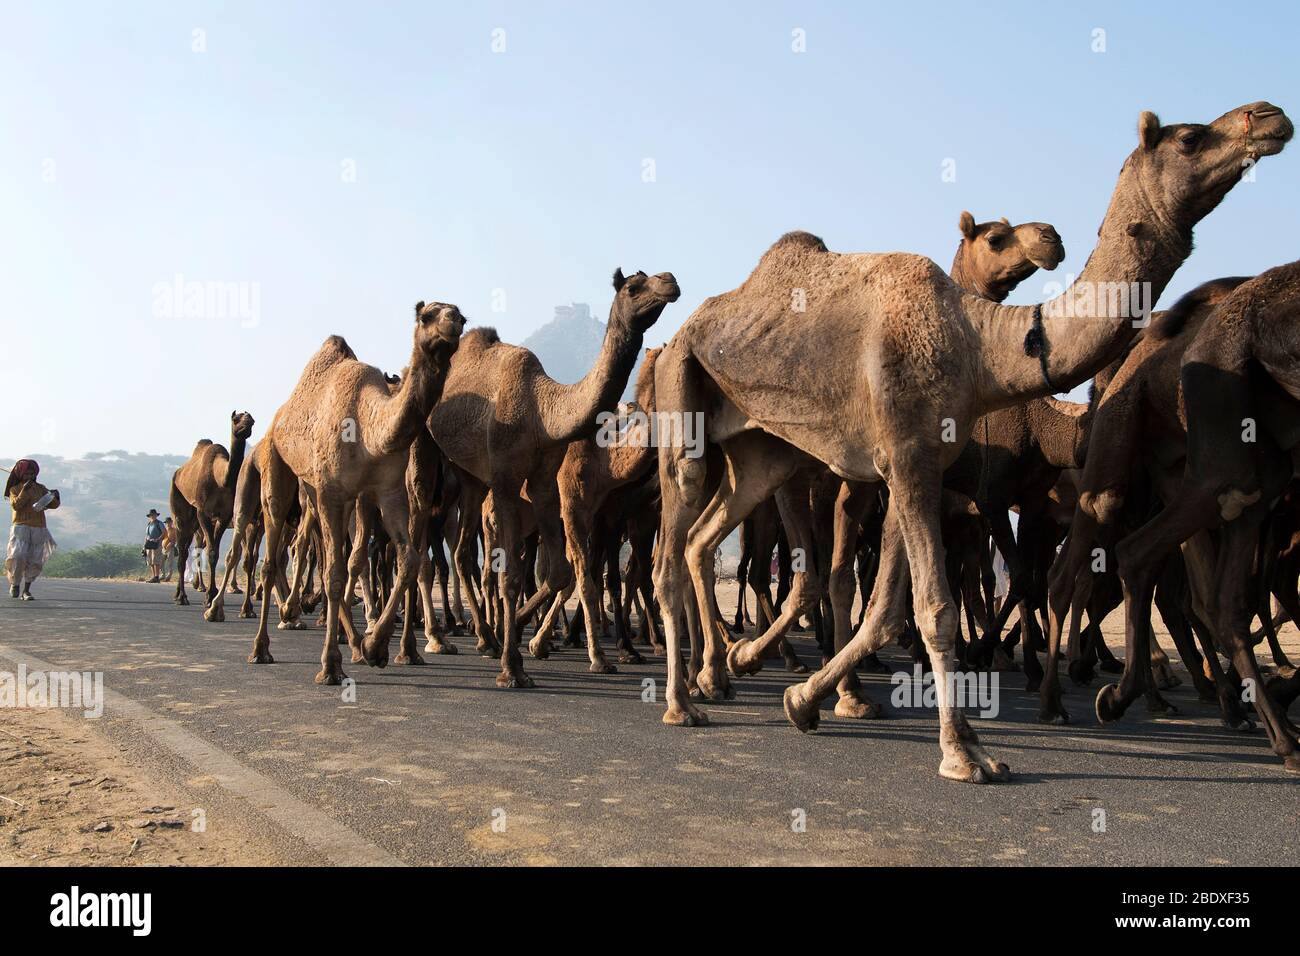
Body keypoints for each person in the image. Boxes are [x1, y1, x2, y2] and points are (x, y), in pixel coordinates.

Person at [5, 459, 60, 601]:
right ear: (21, 475)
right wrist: (25, 491)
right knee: (19, 556)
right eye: (26, 474)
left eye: (32, 474)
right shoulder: (14, 489)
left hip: (39, 527)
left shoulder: (41, 488)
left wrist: (55, 496)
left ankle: (26, 590)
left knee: (35, 560)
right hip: (21, 527)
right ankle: (15, 584)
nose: (29, 476)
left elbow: (52, 505)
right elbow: (16, 505)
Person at [143, 509, 165, 583]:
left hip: (157, 544)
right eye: (151, 515)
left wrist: (158, 539)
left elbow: (164, 532)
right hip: (149, 544)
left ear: (156, 515)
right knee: (150, 560)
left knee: (155, 560)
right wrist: (144, 546)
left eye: (154, 515)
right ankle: (153, 576)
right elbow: (146, 535)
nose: (153, 516)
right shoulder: (149, 524)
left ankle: (157, 576)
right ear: (150, 516)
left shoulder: (159, 523)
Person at [160, 517, 178, 581]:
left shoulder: (174, 530)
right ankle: (162, 575)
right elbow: (162, 537)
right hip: (163, 548)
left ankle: (169, 576)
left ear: (171, 523)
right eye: (166, 523)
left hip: (171, 548)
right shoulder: (165, 530)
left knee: (170, 563)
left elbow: (175, 539)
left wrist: (170, 544)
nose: (167, 524)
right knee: (161, 562)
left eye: (169, 522)